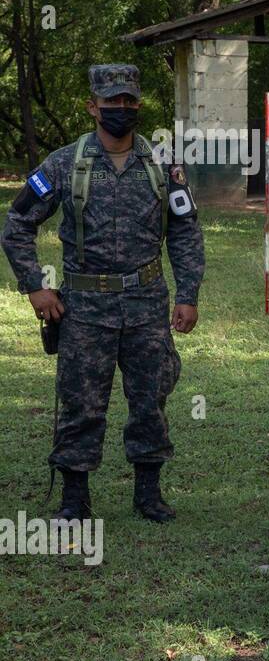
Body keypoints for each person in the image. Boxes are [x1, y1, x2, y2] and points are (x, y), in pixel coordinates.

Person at [3, 64, 204, 524]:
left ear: (138, 104)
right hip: (84, 308)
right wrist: (35, 286)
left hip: (147, 303)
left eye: (129, 101)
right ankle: (75, 499)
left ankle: (148, 494)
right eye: (111, 102)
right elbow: (17, 224)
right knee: (81, 401)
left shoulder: (162, 165)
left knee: (151, 397)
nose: (120, 109)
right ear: (93, 106)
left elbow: (186, 231)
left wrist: (187, 293)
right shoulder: (63, 164)